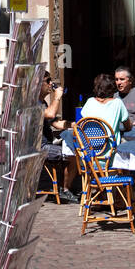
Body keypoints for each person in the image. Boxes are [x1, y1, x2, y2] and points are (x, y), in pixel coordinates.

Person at [39, 72, 80, 202]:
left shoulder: (43, 102)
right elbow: (50, 114)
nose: (51, 83)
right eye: (48, 80)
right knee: (71, 154)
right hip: (38, 147)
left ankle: (61, 187)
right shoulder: (33, 102)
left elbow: (55, 123)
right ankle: (65, 190)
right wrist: (57, 97)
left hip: (46, 144)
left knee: (72, 150)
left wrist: (74, 124)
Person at [78, 73, 132, 143]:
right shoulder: (117, 103)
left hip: (89, 148)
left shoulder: (90, 101)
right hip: (110, 148)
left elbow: (82, 122)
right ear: (113, 88)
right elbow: (127, 126)